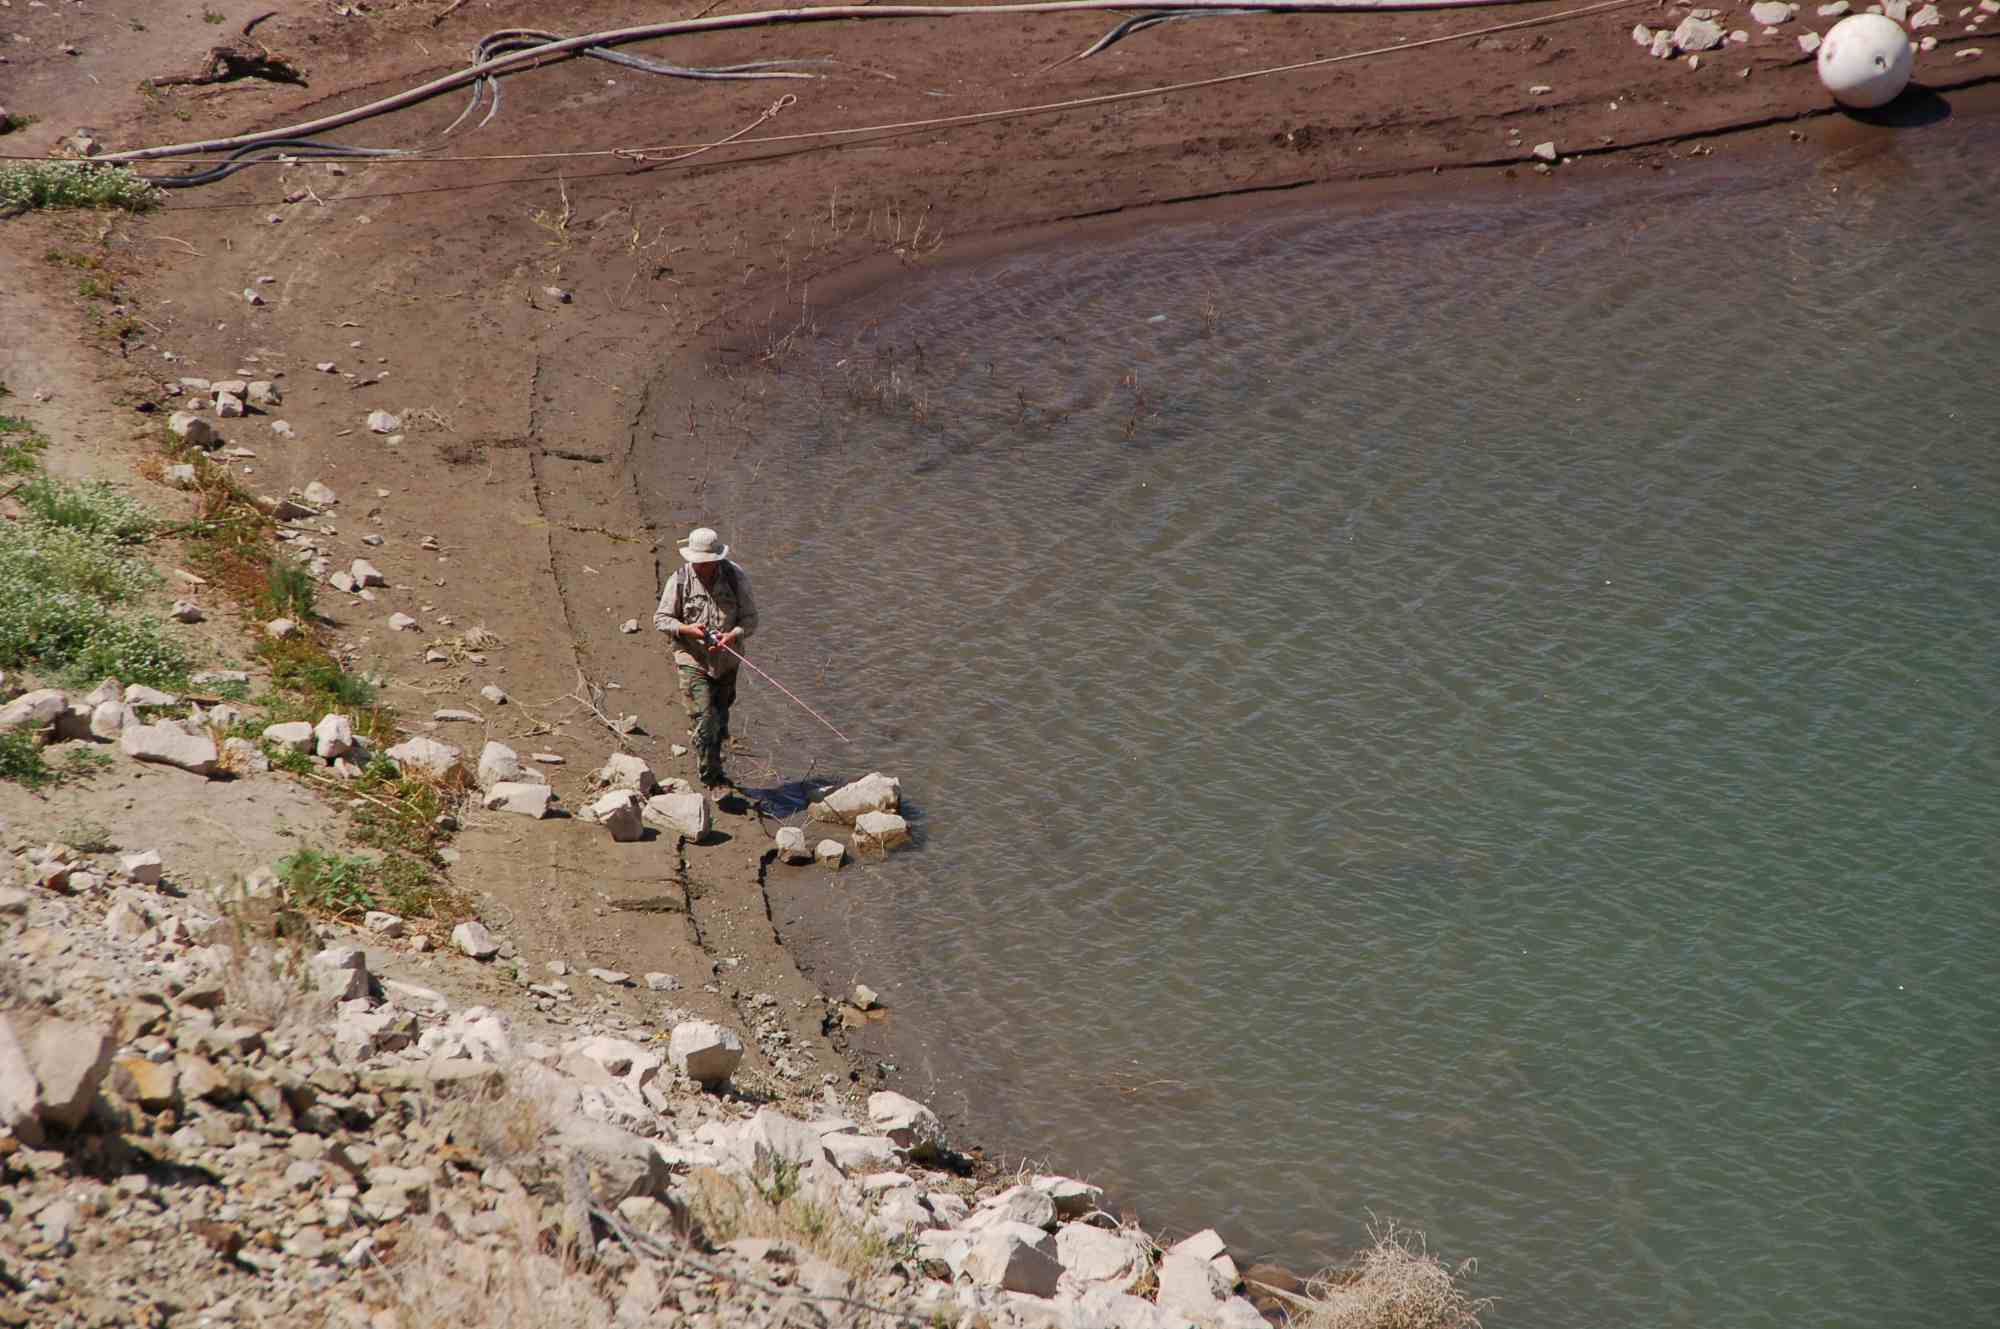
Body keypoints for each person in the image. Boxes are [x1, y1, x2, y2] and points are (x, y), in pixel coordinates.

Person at [654, 527, 758, 788]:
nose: (703, 568)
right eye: (698, 563)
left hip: (727, 662)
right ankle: (712, 779)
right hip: (692, 659)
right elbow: (661, 619)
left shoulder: (735, 577)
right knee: (705, 717)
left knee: (720, 719)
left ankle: (714, 754)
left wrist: (733, 635)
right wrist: (688, 630)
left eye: (708, 563)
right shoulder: (678, 580)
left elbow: (751, 619)